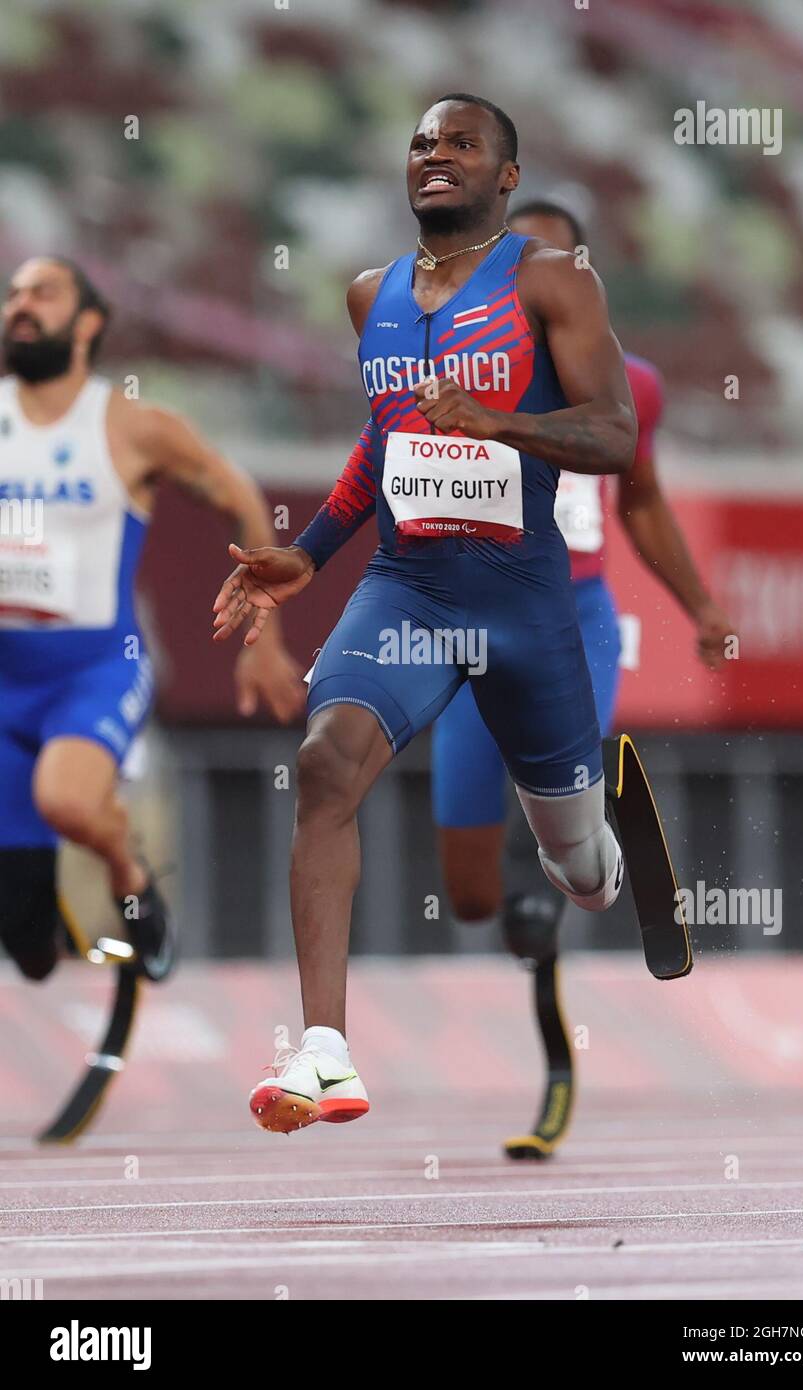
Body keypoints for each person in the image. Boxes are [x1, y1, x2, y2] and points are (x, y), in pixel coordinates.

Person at [213, 94, 638, 1134]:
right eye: (419, 142)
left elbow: (616, 433)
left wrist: (494, 418)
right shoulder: (371, 296)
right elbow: (383, 440)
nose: (434, 154)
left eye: (460, 143)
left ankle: (594, 854)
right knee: (325, 764)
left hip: (525, 602)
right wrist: (308, 556)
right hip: (410, 587)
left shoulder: (552, 281)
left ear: (505, 176)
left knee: (579, 872)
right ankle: (324, 1051)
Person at [428, 199, 735, 1153]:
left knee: (533, 871)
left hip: (575, 621)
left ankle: (577, 847)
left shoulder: (629, 385)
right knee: (478, 899)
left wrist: (700, 606)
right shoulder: (446, 373)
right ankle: (564, 853)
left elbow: (640, 502)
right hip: (474, 627)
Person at [0, 256, 305, 983]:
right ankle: (50, 922)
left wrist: (266, 636)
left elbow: (242, 497)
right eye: (12, 294)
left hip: (92, 670)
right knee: (30, 949)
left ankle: (128, 872)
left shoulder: (132, 426)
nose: (20, 305)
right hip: (5, 676)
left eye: (42, 293)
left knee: (68, 801)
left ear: (88, 324)